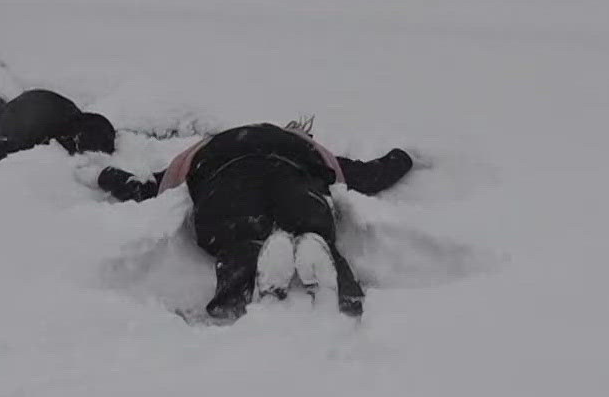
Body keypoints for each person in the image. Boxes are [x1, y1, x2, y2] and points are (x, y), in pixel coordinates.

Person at [97, 119, 413, 321]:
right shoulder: (305, 146)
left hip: (224, 182)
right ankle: (323, 257)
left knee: (234, 234)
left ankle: (237, 283)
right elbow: (370, 175)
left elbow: (143, 188)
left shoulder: (207, 147)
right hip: (295, 176)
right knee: (310, 222)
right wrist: (401, 158)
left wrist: (107, 175)